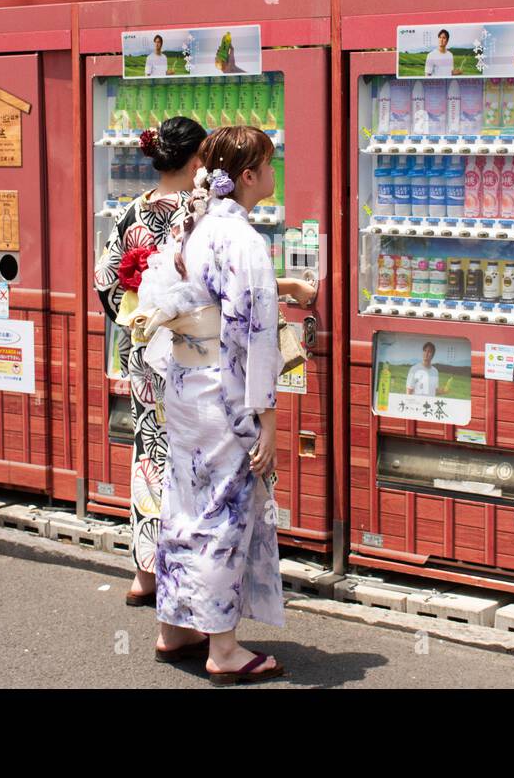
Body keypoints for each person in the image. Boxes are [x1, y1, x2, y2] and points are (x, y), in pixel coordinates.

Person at [133, 125, 298, 685]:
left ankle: (174, 628)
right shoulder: (246, 240)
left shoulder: (201, 227)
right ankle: (223, 649)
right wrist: (268, 419)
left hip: (185, 384)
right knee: (224, 514)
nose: (274, 175)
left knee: (184, 504)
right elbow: (256, 334)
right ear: (248, 176)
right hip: (226, 390)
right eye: (268, 166)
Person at [94, 116, 206, 607]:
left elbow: (104, 278)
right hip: (188, 351)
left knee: (149, 450)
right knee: (190, 458)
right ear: (198, 157)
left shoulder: (134, 209)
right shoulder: (199, 211)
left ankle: (144, 572)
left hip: (141, 347)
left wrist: (130, 318)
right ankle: (186, 574)